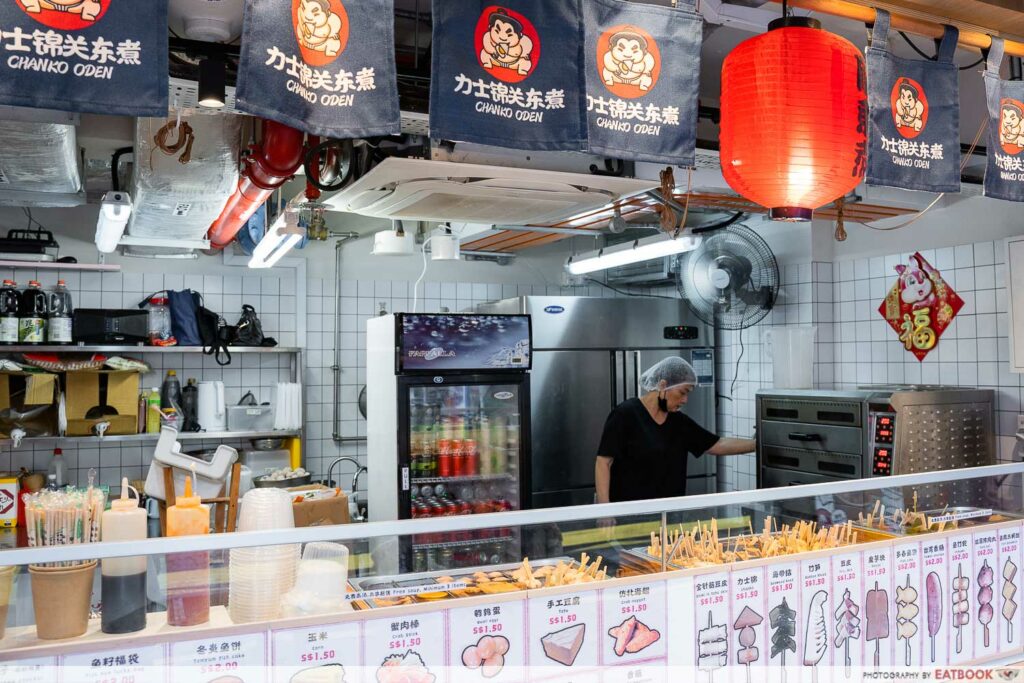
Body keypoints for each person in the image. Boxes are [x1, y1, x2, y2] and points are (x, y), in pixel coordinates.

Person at [595, 356, 754, 504]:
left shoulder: (679, 422)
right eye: (682, 392)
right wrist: (605, 511)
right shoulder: (625, 415)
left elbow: (717, 444)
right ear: (663, 385)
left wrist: (757, 445)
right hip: (630, 514)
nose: (685, 400)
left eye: (688, 394)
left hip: (670, 515)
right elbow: (603, 462)